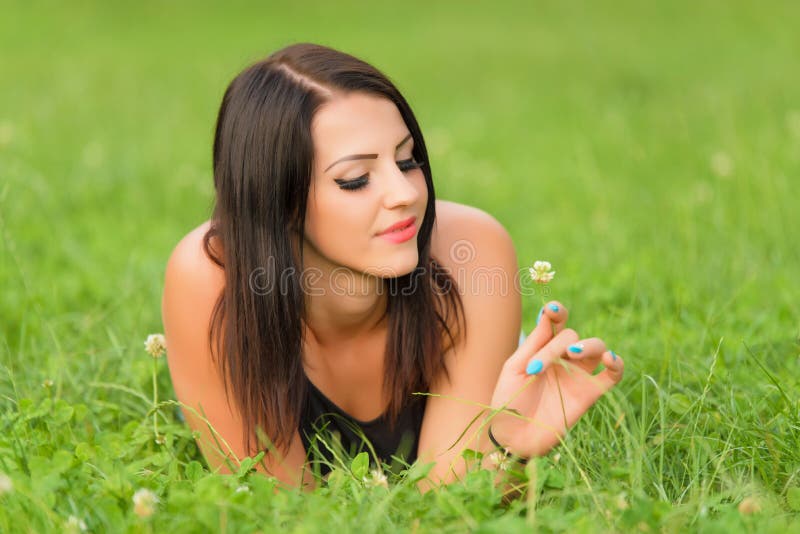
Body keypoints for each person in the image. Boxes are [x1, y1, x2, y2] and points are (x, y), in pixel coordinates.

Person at [160, 42, 624, 493]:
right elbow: (278, 511)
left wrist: (505, 448)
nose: (405, 193)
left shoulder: (474, 250)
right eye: (355, 179)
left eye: (407, 160)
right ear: (276, 200)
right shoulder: (211, 279)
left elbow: (446, 499)